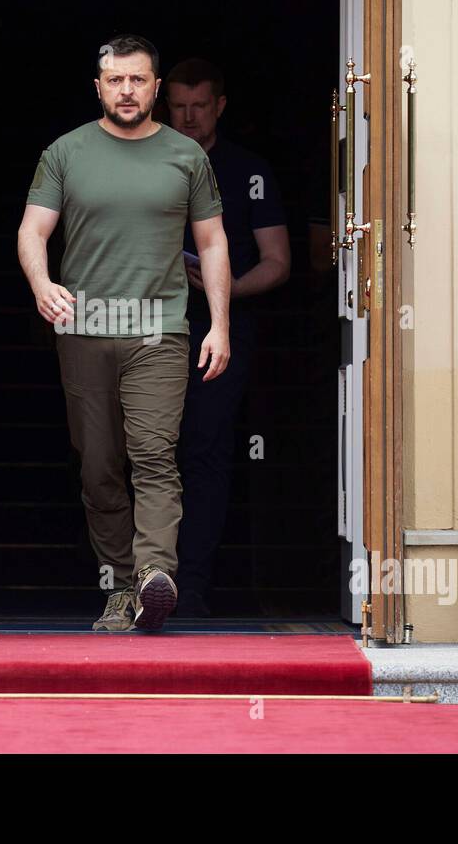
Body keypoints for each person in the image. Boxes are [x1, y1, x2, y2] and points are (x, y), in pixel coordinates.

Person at [17, 34, 231, 632]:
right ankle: (118, 586)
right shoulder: (65, 152)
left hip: (160, 331)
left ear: (156, 87)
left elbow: (212, 242)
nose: (127, 90)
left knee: (155, 457)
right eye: (116, 80)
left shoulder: (186, 156)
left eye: (138, 80)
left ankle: (154, 577)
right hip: (84, 331)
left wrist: (219, 324)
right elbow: (33, 231)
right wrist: (42, 284)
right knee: (98, 467)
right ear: (99, 87)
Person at [165, 58, 290, 618]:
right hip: (147, 331)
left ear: (219, 106)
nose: (189, 118)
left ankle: (190, 585)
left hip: (222, 332)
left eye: (199, 106)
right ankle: (138, 581)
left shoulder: (248, 171)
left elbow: (279, 262)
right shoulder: (147, 162)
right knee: (142, 455)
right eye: (179, 107)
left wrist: (226, 292)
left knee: (206, 453)